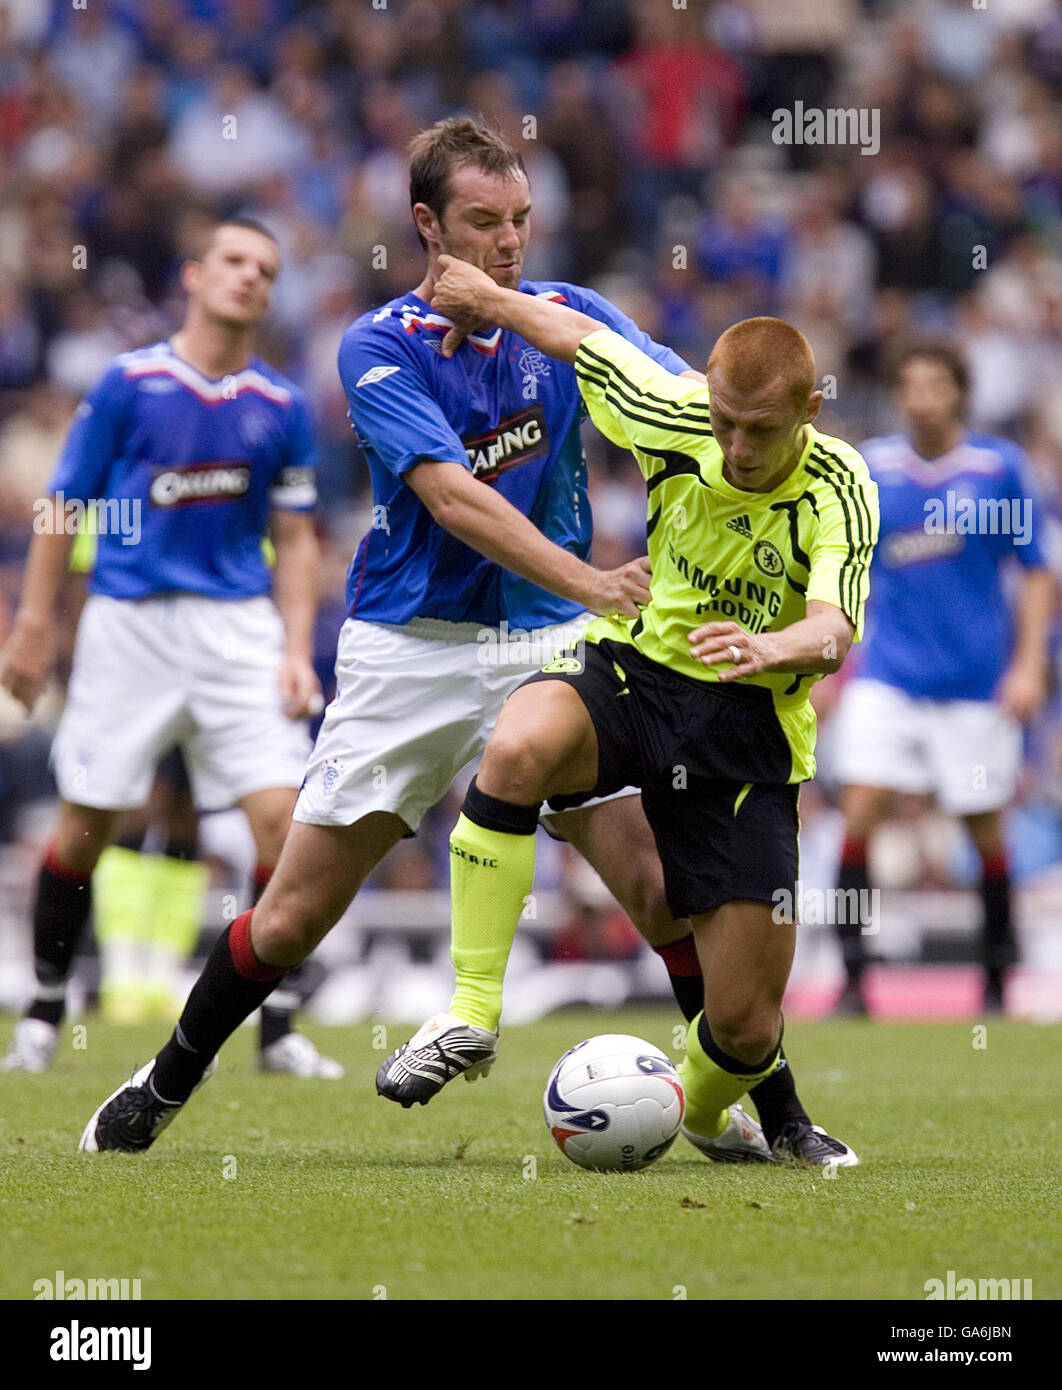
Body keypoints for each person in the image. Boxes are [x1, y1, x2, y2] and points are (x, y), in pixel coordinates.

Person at [80, 119, 852, 1167]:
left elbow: (693, 403)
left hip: (547, 643)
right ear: (427, 224)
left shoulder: (565, 319)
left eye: (522, 220)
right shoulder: (377, 345)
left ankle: (773, 1110)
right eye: (483, 223)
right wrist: (592, 578)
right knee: (293, 914)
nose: (508, 242)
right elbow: (453, 500)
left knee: (660, 889)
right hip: (412, 648)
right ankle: (163, 1082)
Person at [379, 253, 878, 1161]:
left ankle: (693, 1106)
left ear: (809, 413)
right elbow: (583, 338)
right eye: (725, 423)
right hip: (641, 678)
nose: (735, 448)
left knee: (746, 1028)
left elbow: (835, 628)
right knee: (521, 742)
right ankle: (472, 1010)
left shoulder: (841, 481)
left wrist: (771, 648)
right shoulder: (674, 412)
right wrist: (490, 297)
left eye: (759, 431)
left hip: (748, 728)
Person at [0, 218, 342, 1080]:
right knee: (86, 827)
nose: (249, 277)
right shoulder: (129, 385)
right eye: (233, 260)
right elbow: (61, 505)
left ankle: (280, 1027)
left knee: (286, 824)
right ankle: (44, 1009)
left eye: (265, 268)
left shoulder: (281, 405)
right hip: (131, 624)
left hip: (237, 630)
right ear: (192, 275)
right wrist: (34, 623)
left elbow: (296, 540)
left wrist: (298, 646)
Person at [830, 340, 1053, 1015]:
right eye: (911, 385)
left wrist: (1029, 665)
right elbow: (844, 566)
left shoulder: (997, 469)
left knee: (983, 829)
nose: (923, 397)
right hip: (889, 676)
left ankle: (993, 984)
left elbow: (1037, 570)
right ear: (898, 394)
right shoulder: (872, 467)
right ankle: (853, 979)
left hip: (975, 682)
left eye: (936, 385)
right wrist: (834, 660)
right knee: (861, 812)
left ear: (960, 392)